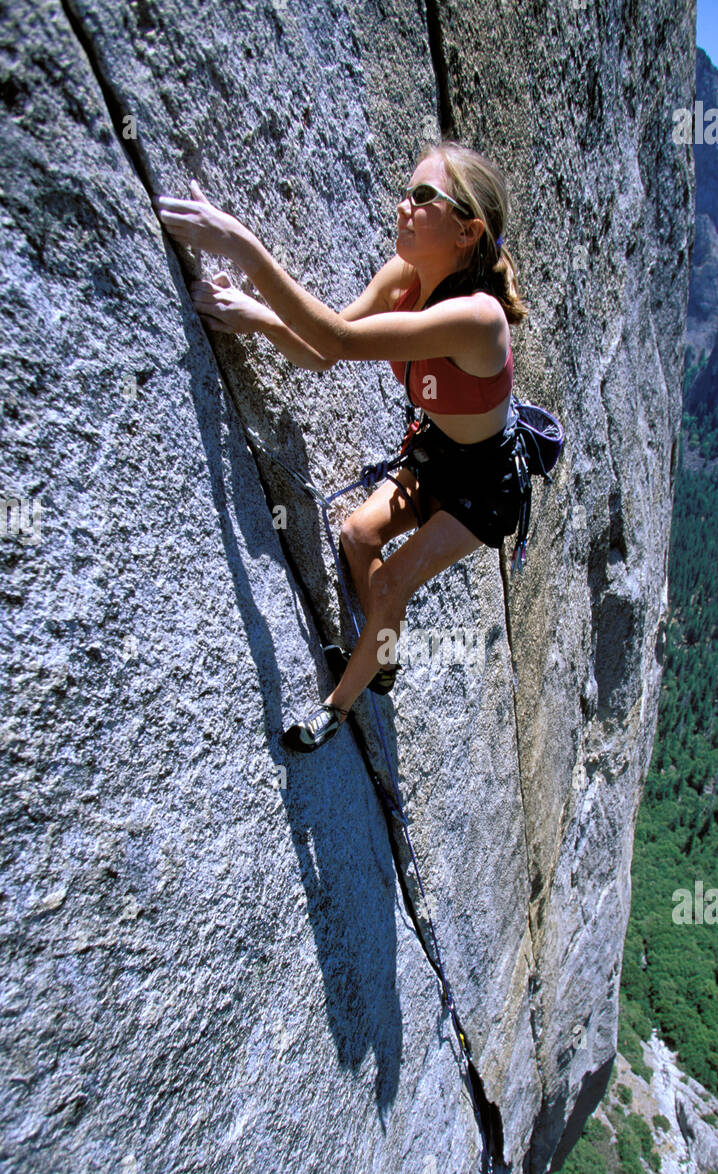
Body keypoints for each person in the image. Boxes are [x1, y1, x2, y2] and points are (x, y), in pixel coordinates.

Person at [155, 140, 528, 753]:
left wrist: (242, 247)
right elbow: (322, 352)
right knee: (357, 537)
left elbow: (337, 335)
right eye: (407, 192)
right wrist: (253, 317)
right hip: (439, 450)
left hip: (483, 486)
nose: (403, 206)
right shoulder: (403, 280)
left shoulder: (479, 318)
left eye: (423, 196)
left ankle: (340, 707)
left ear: (467, 232)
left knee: (389, 586)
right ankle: (382, 655)